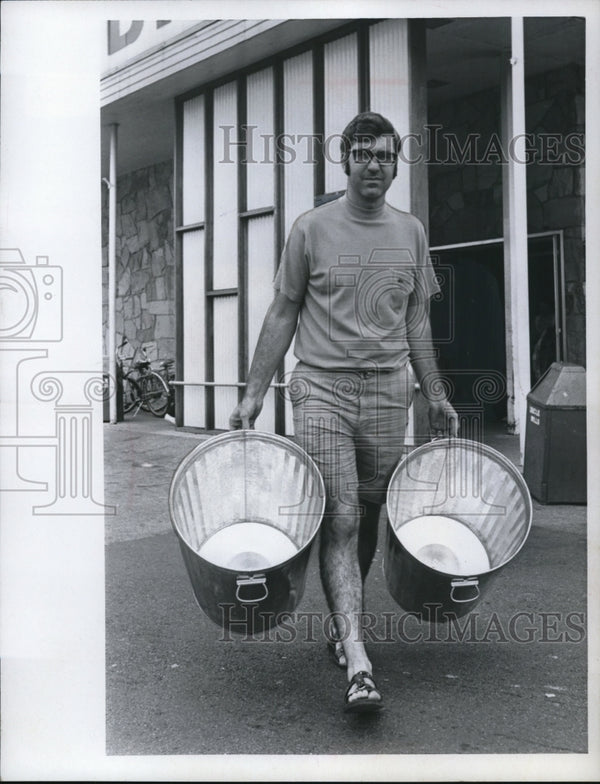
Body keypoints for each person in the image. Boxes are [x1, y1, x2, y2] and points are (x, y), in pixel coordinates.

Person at [230, 112, 458, 713]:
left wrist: (434, 392)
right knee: (342, 517)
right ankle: (358, 660)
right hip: (321, 389)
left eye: (384, 156)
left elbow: (416, 319)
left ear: (396, 165)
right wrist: (254, 392)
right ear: (345, 160)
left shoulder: (411, 231)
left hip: (388, 392)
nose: (374, 165)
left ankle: (341, 623)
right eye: (363, 154)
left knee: (369, 513)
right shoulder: (311, 229)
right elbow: (283, 311)